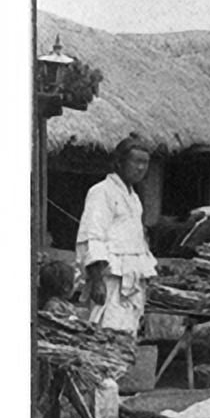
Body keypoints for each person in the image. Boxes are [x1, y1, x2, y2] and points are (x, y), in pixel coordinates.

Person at [75, 134, 158, 334]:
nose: (141, 168)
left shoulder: (134, 199)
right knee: (105, 331)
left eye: (145, 163)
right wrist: (96, 281)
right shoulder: (101, 192)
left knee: (127, 334)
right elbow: (92, 235)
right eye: (136, 161)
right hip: (109, 278)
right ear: (119, 163)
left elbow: (137, 239)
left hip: (131, 278)